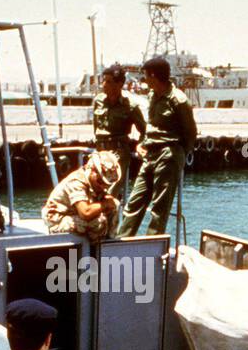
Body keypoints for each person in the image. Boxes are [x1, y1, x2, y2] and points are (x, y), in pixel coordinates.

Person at [115, 57, 196, 238]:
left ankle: (152, 245)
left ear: (153, 75)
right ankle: (121, 240)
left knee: (160, 207)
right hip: (150, 154)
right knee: (135, 201)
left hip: (168, 154)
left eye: (145, 75)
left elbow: (190, 134)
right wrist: (143, 144)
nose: (144, 79)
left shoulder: (179, 100)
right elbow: (153, 126)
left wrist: (177, 154)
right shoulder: (153, 96)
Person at [41, 150, 122, 242]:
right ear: (91, 170)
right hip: (58, 220)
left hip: (75, 214)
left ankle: (110, 242)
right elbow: (85, 213)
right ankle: (93, 251)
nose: (103, 187)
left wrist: (108, 203)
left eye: (107, 184)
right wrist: (104, 204)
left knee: (115, 205)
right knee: (97, 223)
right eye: (100, 182)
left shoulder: (93, 182)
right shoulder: (76, 182)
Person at [91, 63, 145, 198]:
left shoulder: (130, 107)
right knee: (91, 189)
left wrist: (140, 144)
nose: (104, 84)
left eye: (108, 82)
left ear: (119, 84)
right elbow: (96, 126)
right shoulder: (98, 101)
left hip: (118, 154)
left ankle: (110, 216)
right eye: (103, 80)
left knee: (108, 193)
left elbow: (144, 131)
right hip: (99, 152)